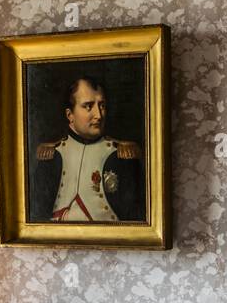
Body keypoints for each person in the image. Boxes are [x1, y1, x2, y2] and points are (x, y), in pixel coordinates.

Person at [30, 76, 144, 223]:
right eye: (88, 106)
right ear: (70, 115)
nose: (98, 115)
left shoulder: (122, 157)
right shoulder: (51, 157)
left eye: (102, 105)